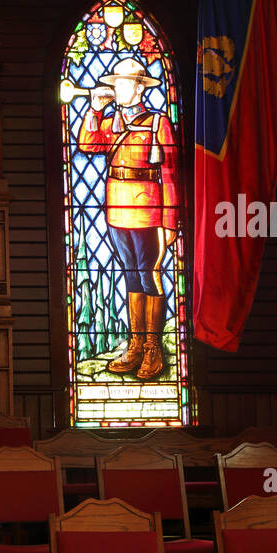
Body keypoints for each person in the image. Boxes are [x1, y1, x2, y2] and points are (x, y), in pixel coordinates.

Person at [77, 57, 179, 380]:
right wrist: (94, 110)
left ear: (138, 87)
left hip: (148, 209)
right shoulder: (113, 122)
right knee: (131, 275)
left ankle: (153, 349)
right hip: (117, 208)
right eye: (115, 83)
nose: (117, 88)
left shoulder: (156, 122)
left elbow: (171, 172)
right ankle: (135, 345)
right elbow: (86, 143)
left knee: (151, 275)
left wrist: (170, 220)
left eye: (123, 83)